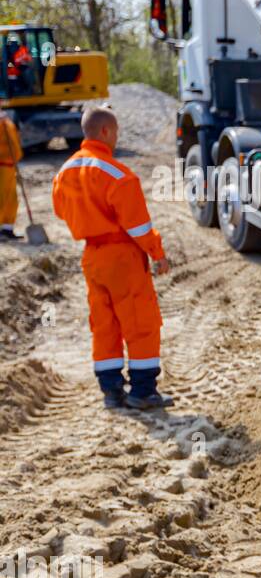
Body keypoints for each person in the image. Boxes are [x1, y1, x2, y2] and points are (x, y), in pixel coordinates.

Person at [52, 105, 173, 409]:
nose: (117, 139)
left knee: (104, 323)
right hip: (122, 257)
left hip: (92, 257)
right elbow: (139, 227)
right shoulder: (119, 174)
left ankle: (111, 392)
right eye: (116, 132)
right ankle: (143, 391)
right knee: (139, 321)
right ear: (106, 132)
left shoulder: (64, 172)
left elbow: (59, 211)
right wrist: (157, 254)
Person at [0, 110, 21, 240]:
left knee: (11, 198)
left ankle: (8, 228)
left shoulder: (8, 122)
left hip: (10, 165)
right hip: (1, 165)